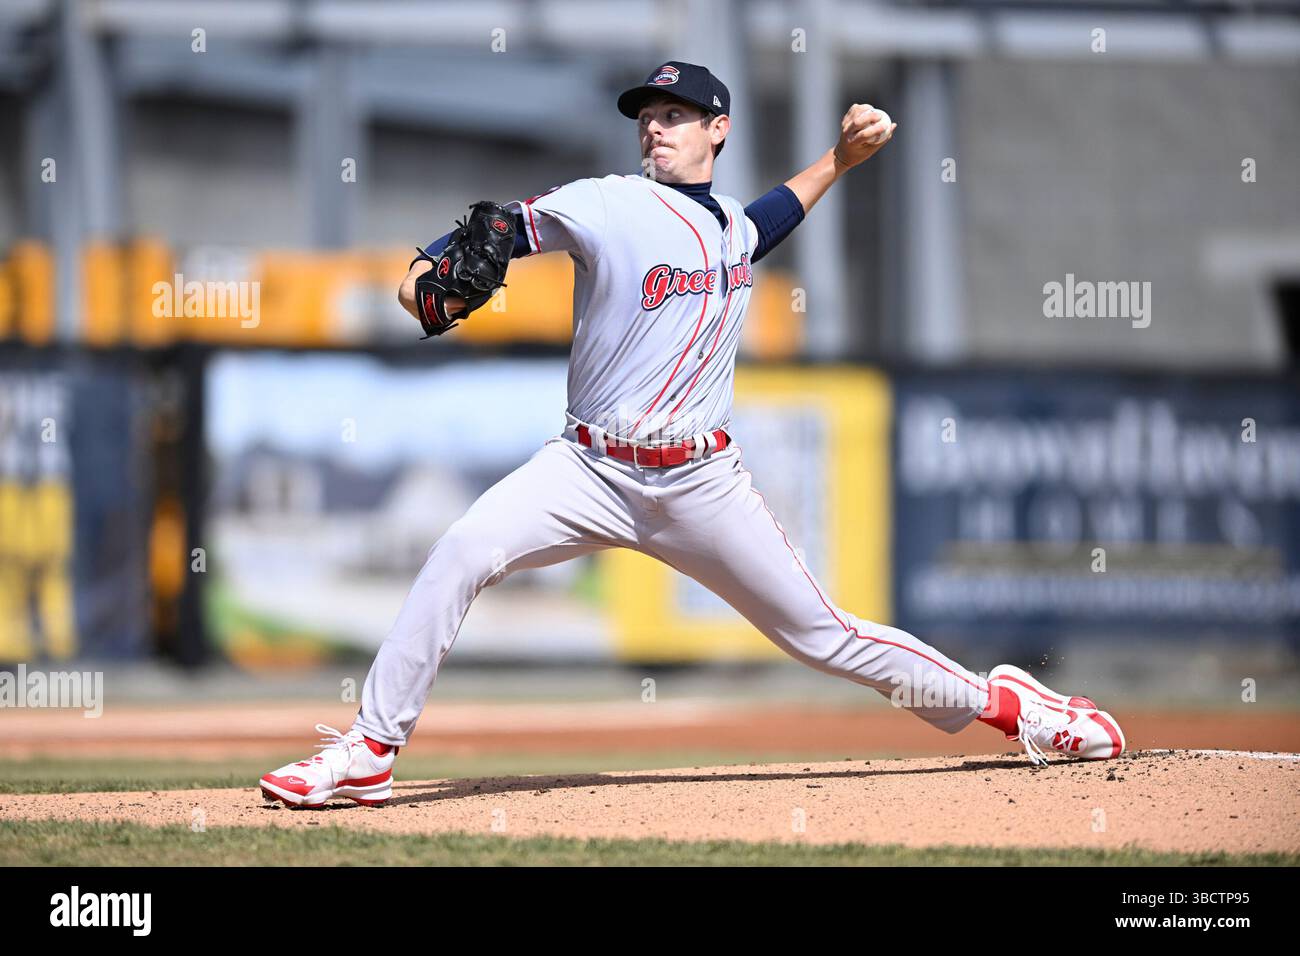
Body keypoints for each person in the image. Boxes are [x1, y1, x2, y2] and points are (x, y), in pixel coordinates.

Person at [258, 61, 1124, 809]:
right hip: (588, 467)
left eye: (673, 116)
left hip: (701, 486)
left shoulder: (731, 228)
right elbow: (497, 233)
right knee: (458, 549)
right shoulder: (605, 203)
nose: (654, 130)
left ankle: (1015, 709)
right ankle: (371, 752)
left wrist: (839, 160)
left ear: (719, 129)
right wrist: (422, 275)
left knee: (822, 636)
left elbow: (770, 218)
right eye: (646, 118)